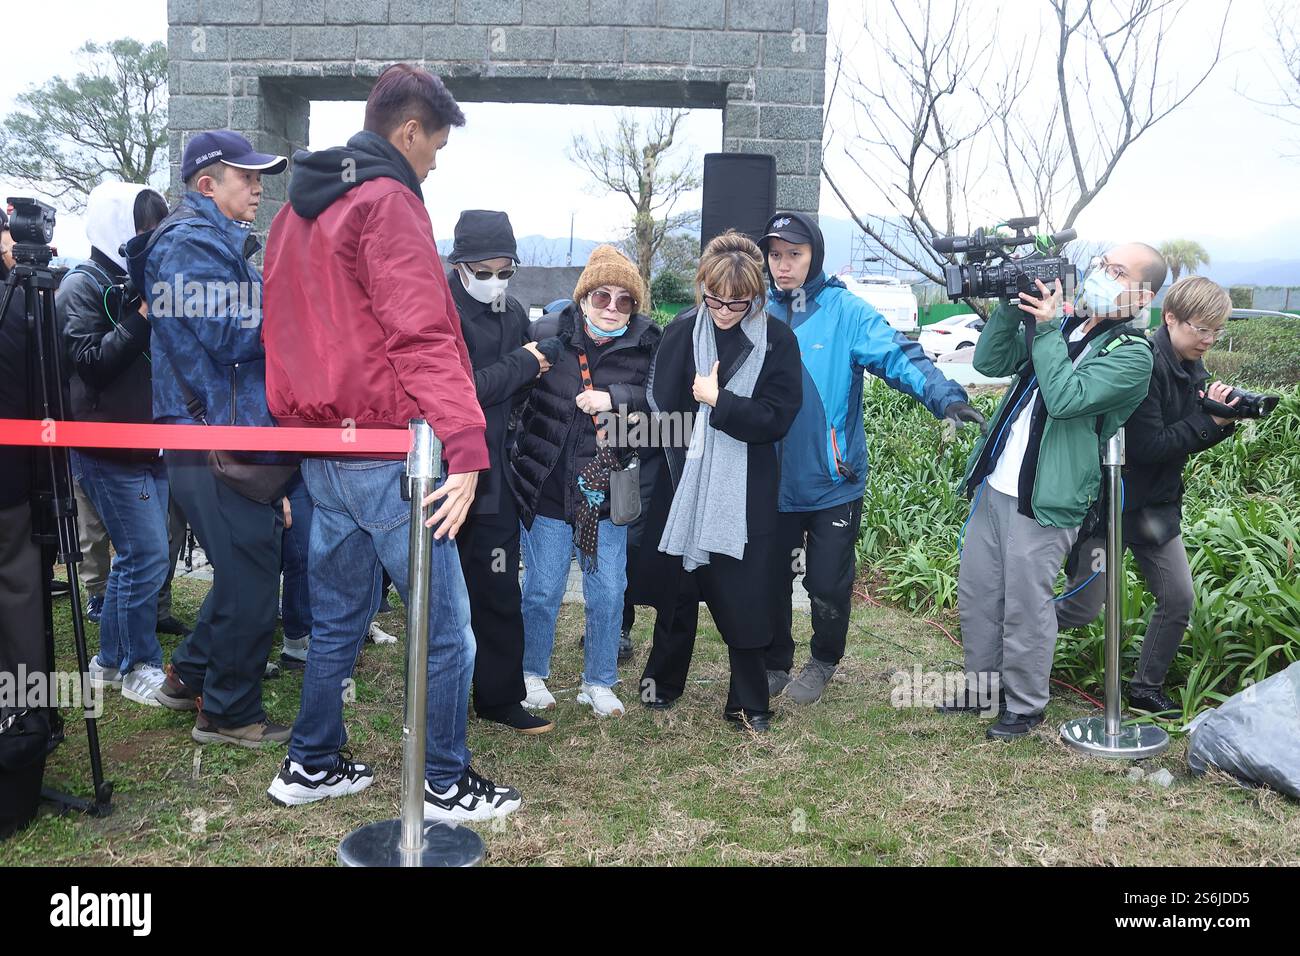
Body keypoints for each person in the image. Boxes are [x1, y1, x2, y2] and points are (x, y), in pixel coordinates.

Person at [262, 64, 522, 821]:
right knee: (445, 632)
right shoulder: (390, 203)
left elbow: (275, 330)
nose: (435, 162)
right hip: (389, 450)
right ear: (407, 132)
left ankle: (310, 762)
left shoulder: (292, 215)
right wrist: (468, 447)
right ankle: (443, 780)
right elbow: (423, 334)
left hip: (323, 451)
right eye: (435, 147)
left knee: (338, 617)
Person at [759, 212, 984, 705]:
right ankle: (775, 661)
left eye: (794, 255)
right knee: (771, 578)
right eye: (775, 255)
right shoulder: (757, 311)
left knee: (826, 581)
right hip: (770, 480)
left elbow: (898, 355)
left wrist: (944, 395)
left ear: (814, 255)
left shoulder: (847, 311)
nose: (783, 266)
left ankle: (823, 660)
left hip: (832, 481)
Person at [954, 242, 1164, 739]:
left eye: (1116, 271)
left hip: (1049, 497)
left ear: (1142, 293)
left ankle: (1025, 705)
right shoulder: (1064, 325)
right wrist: (1012, 304)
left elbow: (1067, 399)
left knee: (1027, 604)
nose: (1101, 275)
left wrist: (1046, 328)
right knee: (980, 594)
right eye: (1101, 265)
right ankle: (982, 688)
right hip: (998, 482)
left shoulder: (1133, 355)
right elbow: (990, 361)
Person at [137, 129, 292, 747]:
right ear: (208, 184)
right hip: (210, 439)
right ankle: (227, 711)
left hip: (215, 435)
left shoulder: (214, 245)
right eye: (246, 176)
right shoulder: (189, 247)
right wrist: (301, 310)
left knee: (243, 568)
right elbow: (231, 337)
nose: (258, 186)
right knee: (254, 573)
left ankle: (189, 676)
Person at [637, 231, 802, 732]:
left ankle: (748, 703)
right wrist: (691, 433)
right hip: (684, 480)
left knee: (744, 594)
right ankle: (659, 685)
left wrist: (718, 402)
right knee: (678, 591)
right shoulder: (683, 330)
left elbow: (777, 418)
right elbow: (661, 404)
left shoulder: (777, 339)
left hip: (745, 488)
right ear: (701, 288)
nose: (725, 310)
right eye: (715, 299)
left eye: (737, 302)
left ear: (756, 294)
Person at [1056, 277, 1239, 715]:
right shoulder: (1144, 361)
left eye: (1217, 331)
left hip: (1156, 508)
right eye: (1202, 329)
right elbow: (1148, 445)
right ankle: (1012, 637)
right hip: (1111, 506)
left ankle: (1145, 688)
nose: (1209, 340)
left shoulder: (1193, 367)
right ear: (1171, 318)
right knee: (1082, 607)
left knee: (1178, 599)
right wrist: (1210, 425)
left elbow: (1187, 436)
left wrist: (1219, 417)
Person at [510, 245, 661, 718]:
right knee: (541, 587)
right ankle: (531, 672)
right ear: (582, 297)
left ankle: (598, 681)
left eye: (624, 300)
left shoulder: (650, 343)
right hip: (550, 487)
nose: (612, 308)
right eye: (601, 296)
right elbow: (515, 399)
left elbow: (664, 411)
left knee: (609, 590)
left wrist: (615, 398)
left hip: (607, 491)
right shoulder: (547, 335)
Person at [446, 208, 558, 734]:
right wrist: (525, 364)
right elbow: (458, 387)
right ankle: (438, 699)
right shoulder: (438, 311)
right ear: (460, 264)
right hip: (444, 472)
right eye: (484, 270)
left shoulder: (513, 313)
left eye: (505, 270)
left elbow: (521, 383)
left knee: (497, 586)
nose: (495, 282)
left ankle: (499, 695)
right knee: (441, 596)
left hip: (496, 474)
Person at [61, 182, 172, 706]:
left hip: (147, 442)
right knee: (143, 555)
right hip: (107, 446)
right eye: (142, 225)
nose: (150, 236)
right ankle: (131, 663)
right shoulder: (81, 285)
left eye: (156, 225)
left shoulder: (134, 279)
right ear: (117, 226)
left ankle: (111, 660)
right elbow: (89, 364)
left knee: (144, 556)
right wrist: (144, 316)